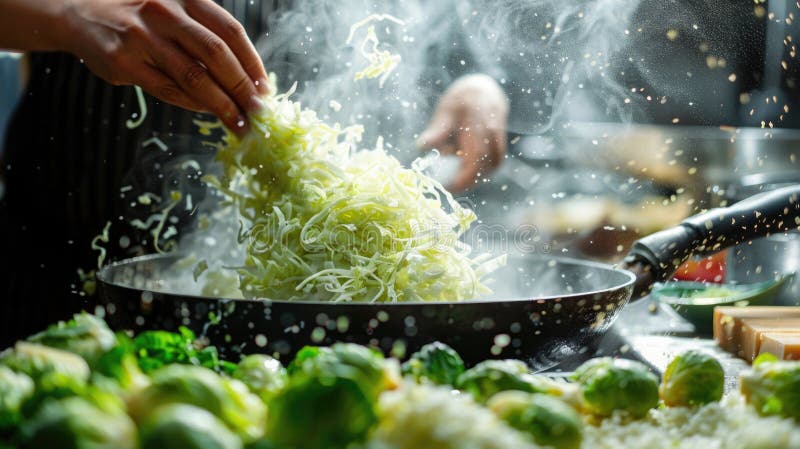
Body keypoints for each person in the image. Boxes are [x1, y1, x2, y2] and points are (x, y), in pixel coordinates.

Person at [0, 0, 509, 345]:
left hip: (317, 310)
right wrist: (72, 12)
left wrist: (476, 81)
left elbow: (439, 31)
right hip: (64, 281)